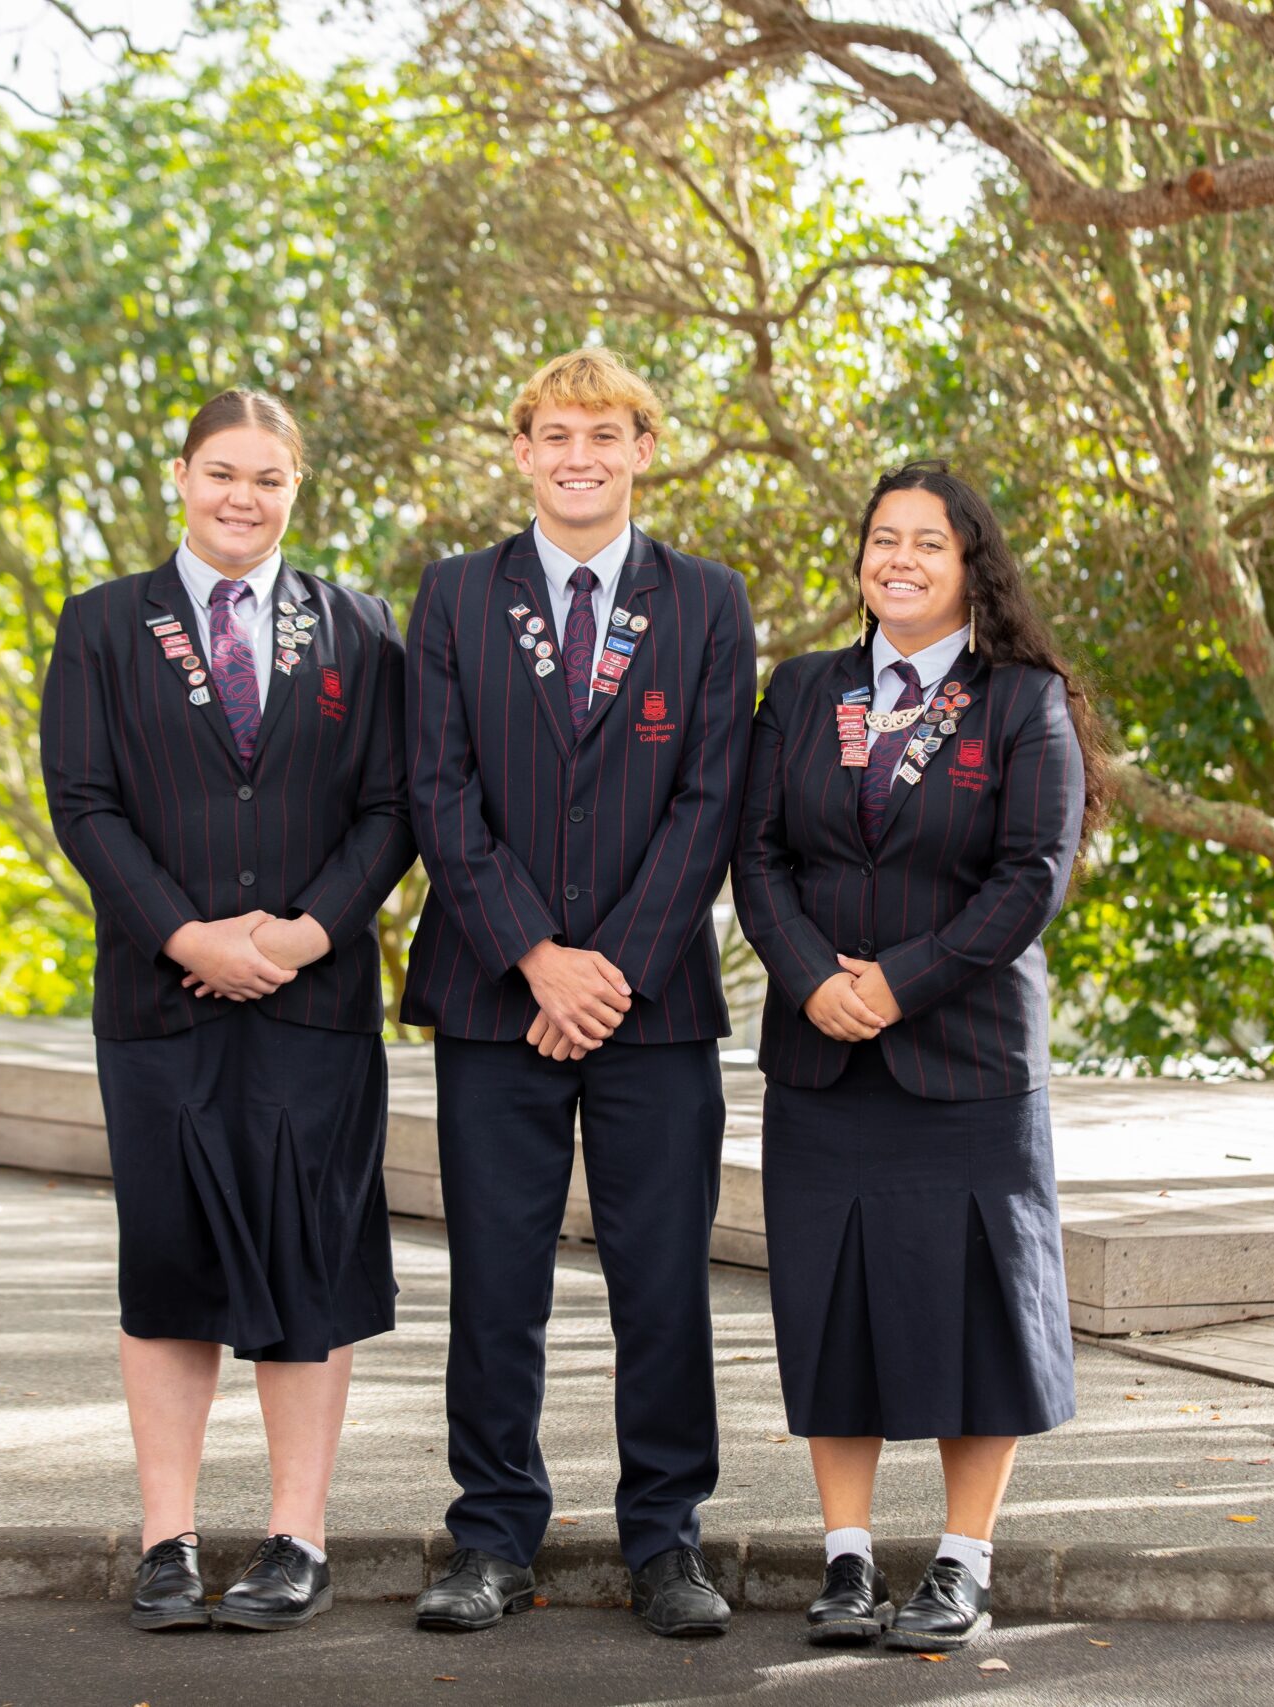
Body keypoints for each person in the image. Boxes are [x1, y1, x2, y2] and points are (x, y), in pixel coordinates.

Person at [38, 388, 416, 1635]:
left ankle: (296, 1537)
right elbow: (85, 803)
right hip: (160, 1003)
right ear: (181, 479)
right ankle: (167, 1542)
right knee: (171, 1265)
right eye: (221, 473)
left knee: (308, 1266)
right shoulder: (101, 627)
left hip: (313, 1005)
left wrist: (306, 932)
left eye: (267, 478)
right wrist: (188, 934)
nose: (242, 498)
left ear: (295, 490)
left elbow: (393, 806)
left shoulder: (361, 631)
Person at [402, 348, 757, 1638]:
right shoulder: (450, 598)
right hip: (495, 997)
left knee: (661, 1282)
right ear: (521, 451)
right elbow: (435, 791)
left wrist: (608, 969)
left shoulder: (709, 603)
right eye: (555, 434)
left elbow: (712, 799)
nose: (579, 457)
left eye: (604, 434)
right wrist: (534, 957)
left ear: (642, 448)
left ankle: (666, 1543)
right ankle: (492, 1537)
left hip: (651, 1006)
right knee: (496, 1284)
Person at [732, 459, 1108, 1652]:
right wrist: (811, 981)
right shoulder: (799, 692)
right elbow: (756, 857)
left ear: (970, 567)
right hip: (822, 1058)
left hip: (965, 1060)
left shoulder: (1022, 702)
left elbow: (1031, 877)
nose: (898, 559)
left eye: (926, 544)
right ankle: (844, 1561)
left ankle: (961, 1559)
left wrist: (900, 982)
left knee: (973, 1311)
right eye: (881, 539)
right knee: (828, 1307)